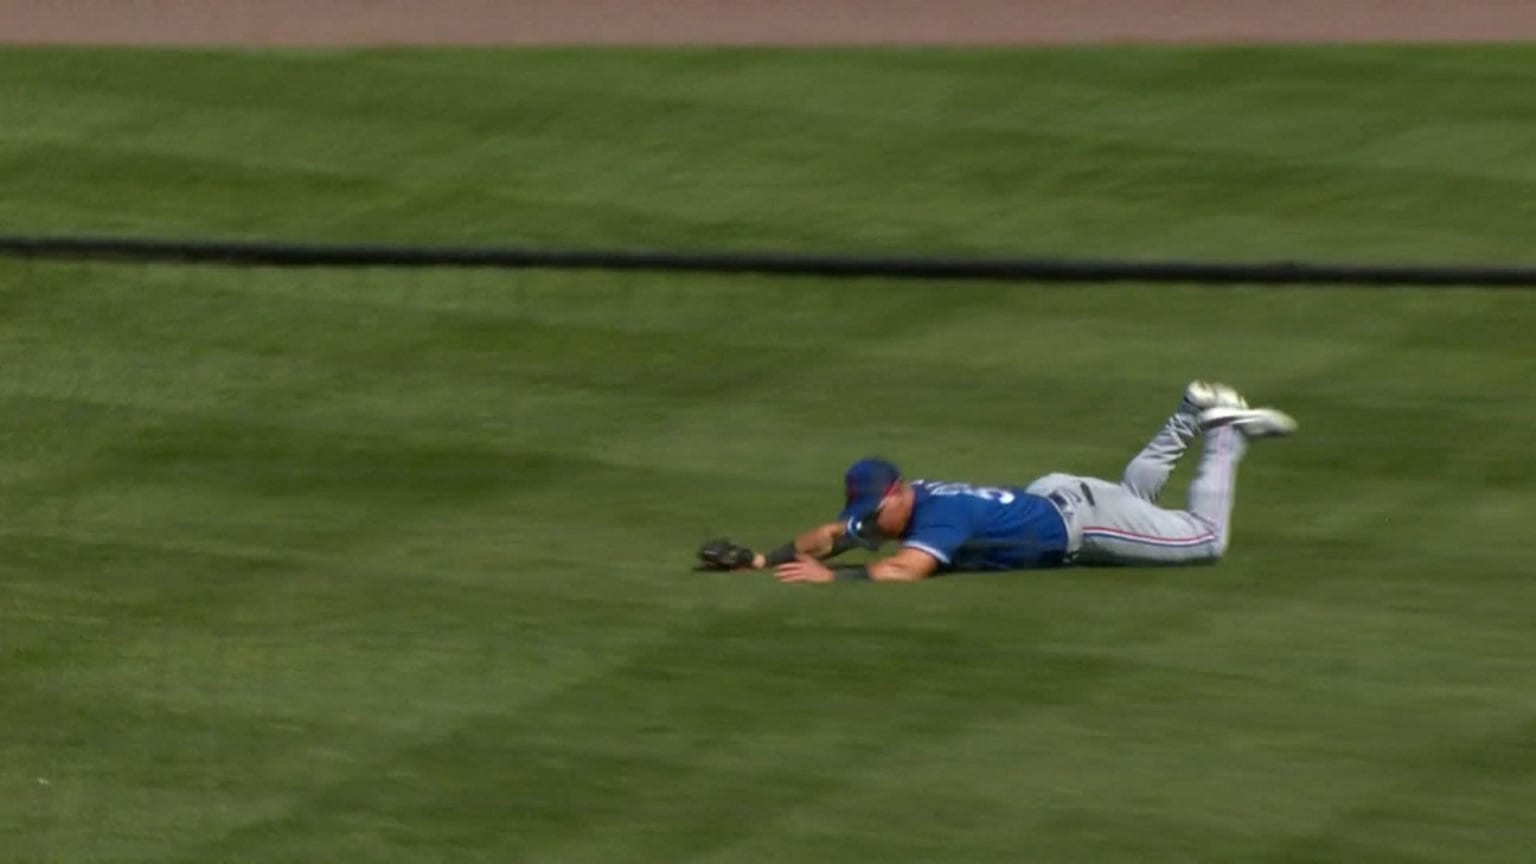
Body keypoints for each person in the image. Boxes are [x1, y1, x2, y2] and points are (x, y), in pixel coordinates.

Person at [694, 381, 1296, 584]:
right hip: (1061, 495)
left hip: (1080, 522)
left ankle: (1223, 433)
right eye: (871, 514)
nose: (875, 523)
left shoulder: (938, 519)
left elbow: (901, 572)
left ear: (900, 490)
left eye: (881, 511)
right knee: (1134, 502)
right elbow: (831, 532)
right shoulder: (904, 506)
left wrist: (837, 578)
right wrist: (756, 560)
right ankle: (1189, 411)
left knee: (1205, 540)